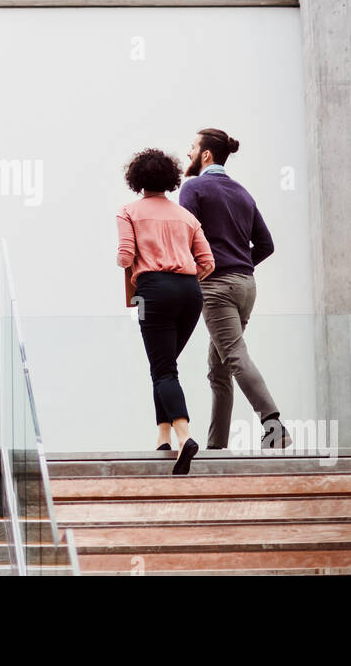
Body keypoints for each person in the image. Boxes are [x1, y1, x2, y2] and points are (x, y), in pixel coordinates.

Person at [179, 128, 291, 451]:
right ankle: (217, 448)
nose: (188, 153)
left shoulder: (194, 188)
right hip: (246, 286)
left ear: (206, 155)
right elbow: (266, 244)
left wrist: (210, 268)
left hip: (216, 287)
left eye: (192, 147)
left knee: (234, 355)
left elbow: (186, 240)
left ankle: (273, 422)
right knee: (219, 369)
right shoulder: (243, 193)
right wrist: (241, 262)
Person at [117, 148, 216, 474]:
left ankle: (184, 435)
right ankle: (163, 437)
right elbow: (208, 263)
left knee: (163, 369)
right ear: (170, 179)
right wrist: (185, 276)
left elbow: (125, 255)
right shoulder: (187, 216)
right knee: (164, 364)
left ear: (137, 180)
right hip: (190, 293)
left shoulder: (128, 212)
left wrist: (139, 267)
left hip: (153, 292)